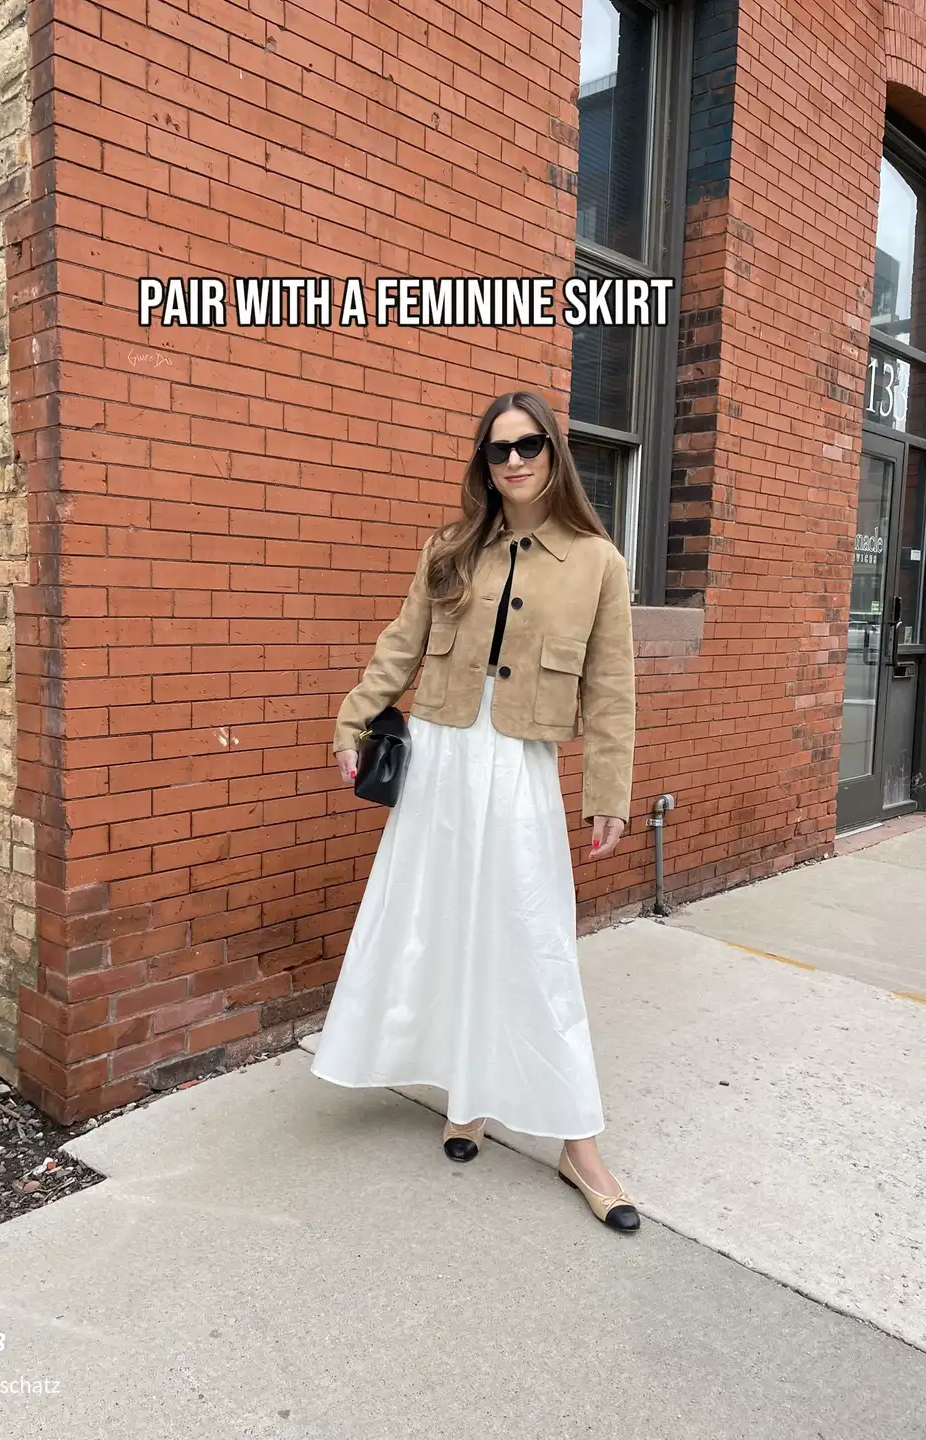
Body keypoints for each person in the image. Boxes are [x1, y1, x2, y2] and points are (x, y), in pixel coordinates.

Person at [309, 391, 639, 1232]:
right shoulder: (451, 549)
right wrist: (352, 714)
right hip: (443, 762)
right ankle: (470, 1096)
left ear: (555, 454)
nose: (516, 460)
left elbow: (611, 690)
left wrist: (608, 788)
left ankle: (579, 1142)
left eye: (530, 445)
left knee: (531, 943)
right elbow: (401, 643)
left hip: (520, 766)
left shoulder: (597, 561)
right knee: (445, 926)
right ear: (483, 466)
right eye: (499, 451)